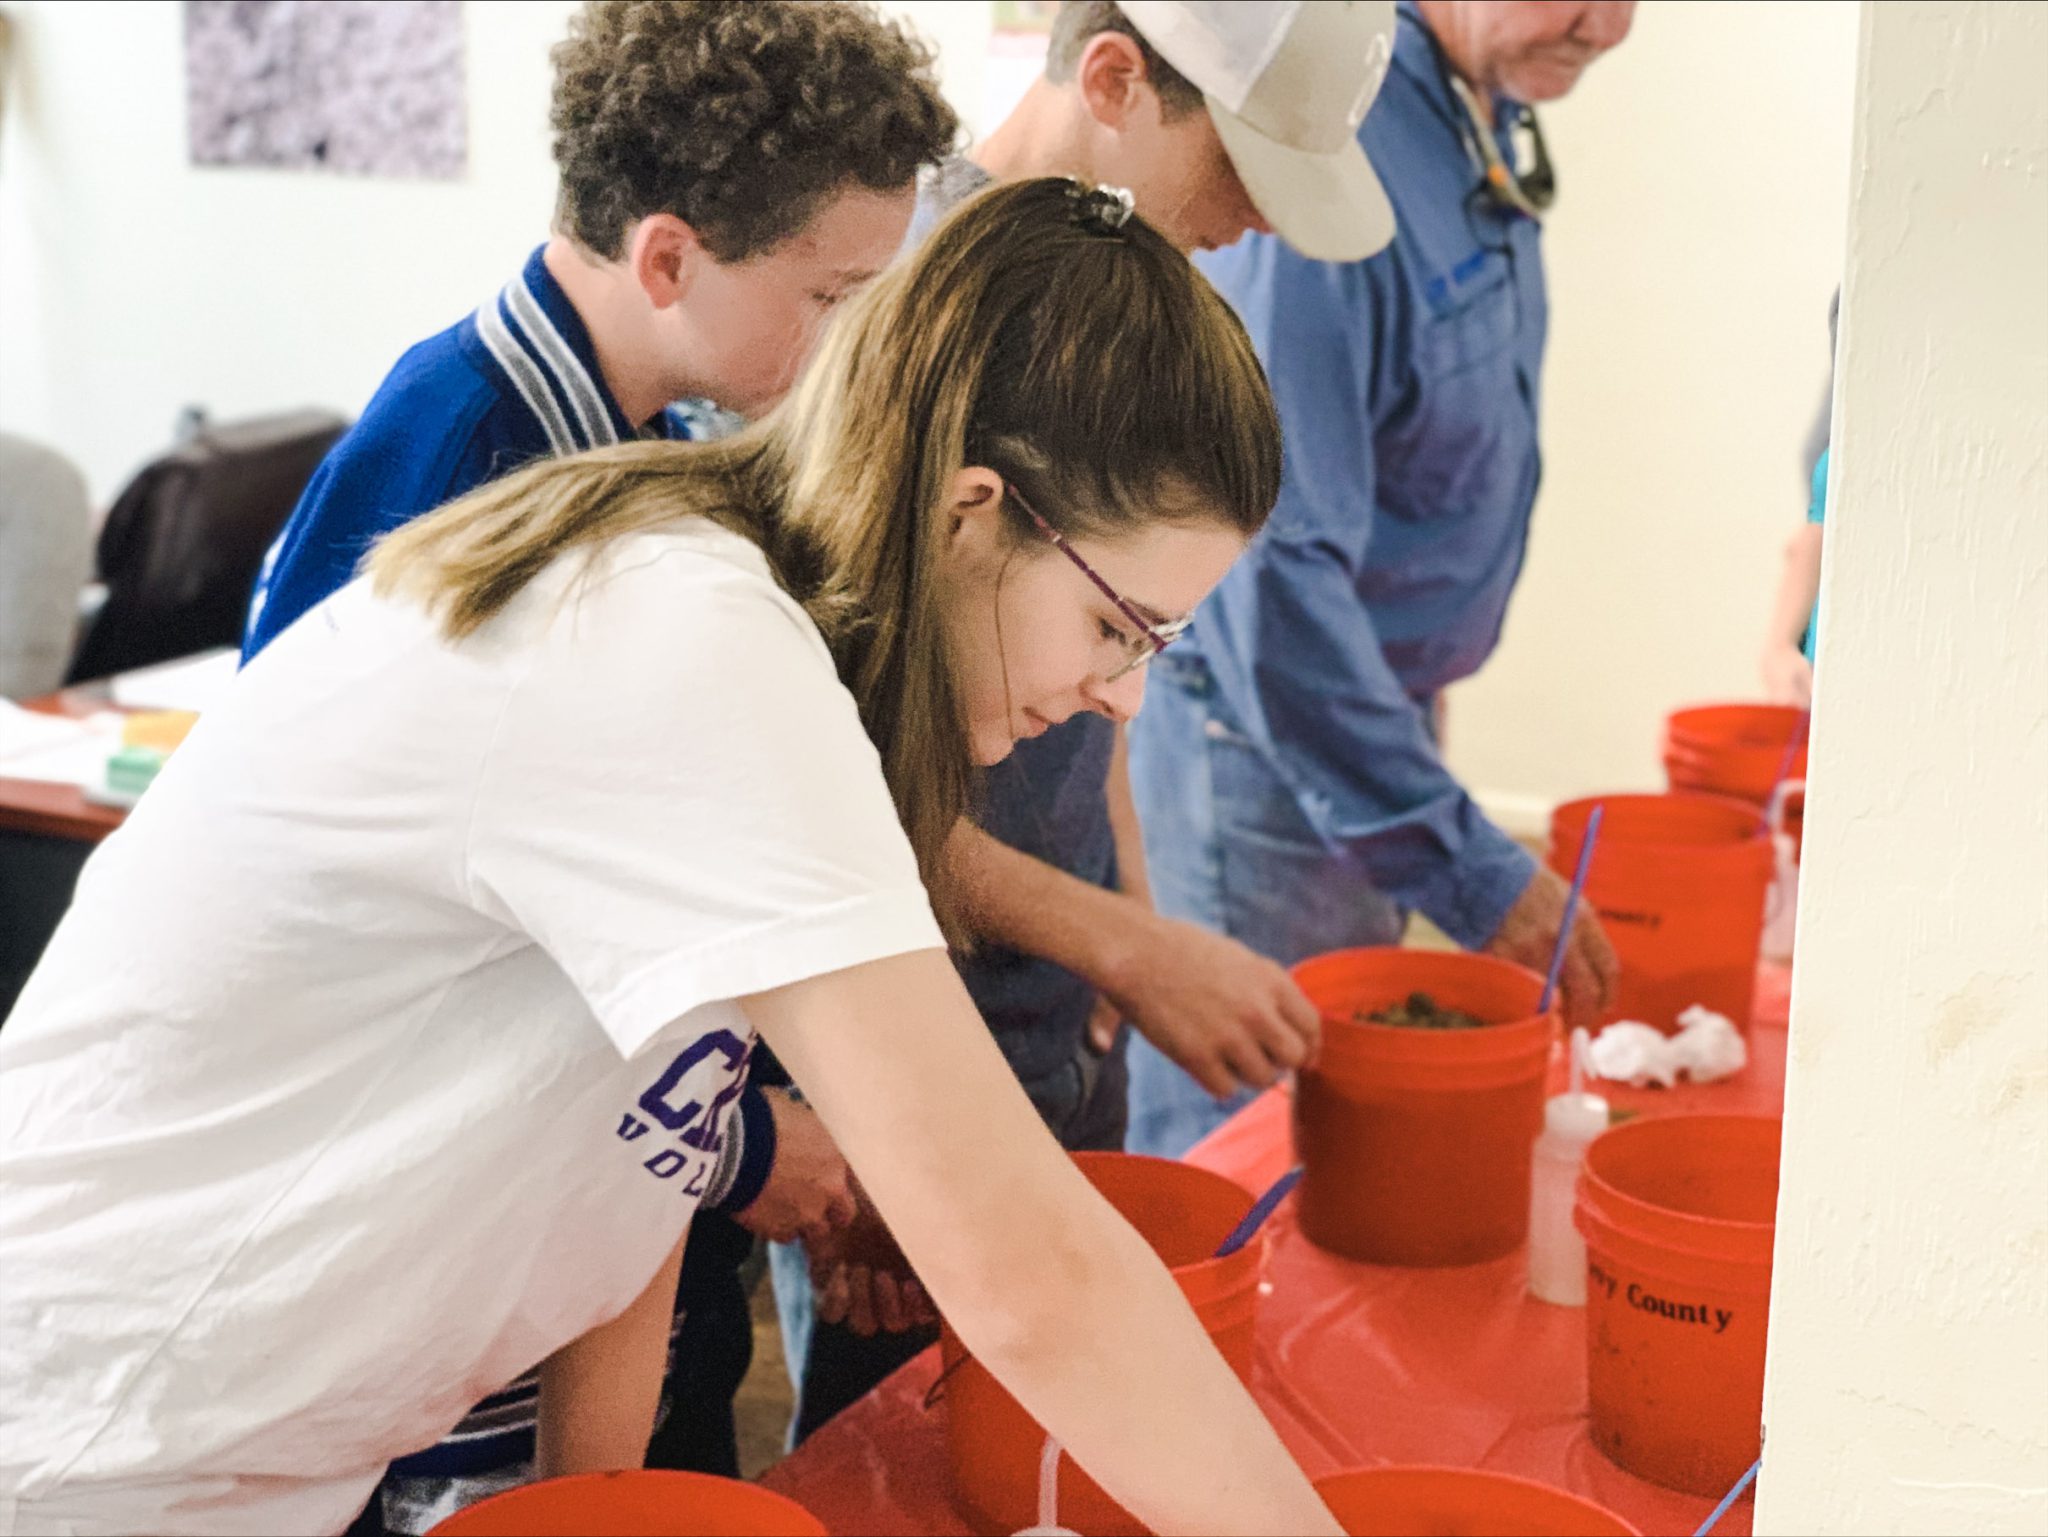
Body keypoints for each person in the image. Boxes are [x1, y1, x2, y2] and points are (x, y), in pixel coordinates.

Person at [0, 176, 1342, 1537]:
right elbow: (1029, 1271)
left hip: (236, 1455)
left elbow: (641, 1121)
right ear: (968, 511)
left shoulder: (759, 651)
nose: (1124, 698)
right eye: (1125, 627)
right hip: (80, 1449)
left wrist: (597, 1499)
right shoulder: (683, 642)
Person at [231, 3, 956, 1527]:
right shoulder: (463, 465)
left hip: (608, 1220)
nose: (846, 350)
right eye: (830, 296)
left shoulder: (652, 420)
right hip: (442, 1267)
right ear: (673, 257)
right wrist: (746, 1135)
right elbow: (424, 952)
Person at [773, 0, 1403, 1442]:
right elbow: (832, 791)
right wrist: (1113, 933)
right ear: (1113, 77)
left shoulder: (1110, 319)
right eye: (1236, 171)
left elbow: (1095, 708)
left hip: (1051, 993)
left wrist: (1121, 897)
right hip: (910, 1014)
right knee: (914, 1445)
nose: (1250, 226)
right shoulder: (889, 309)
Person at [1124, 0, 1637, 1157]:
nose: (1605, 27)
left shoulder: (1469, 110)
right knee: (1249, 1140)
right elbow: (1272, 564)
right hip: (1270, 735)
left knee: (1329, 1129)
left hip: (1374, 720)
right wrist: (1456, 857)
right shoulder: (1338, 141)